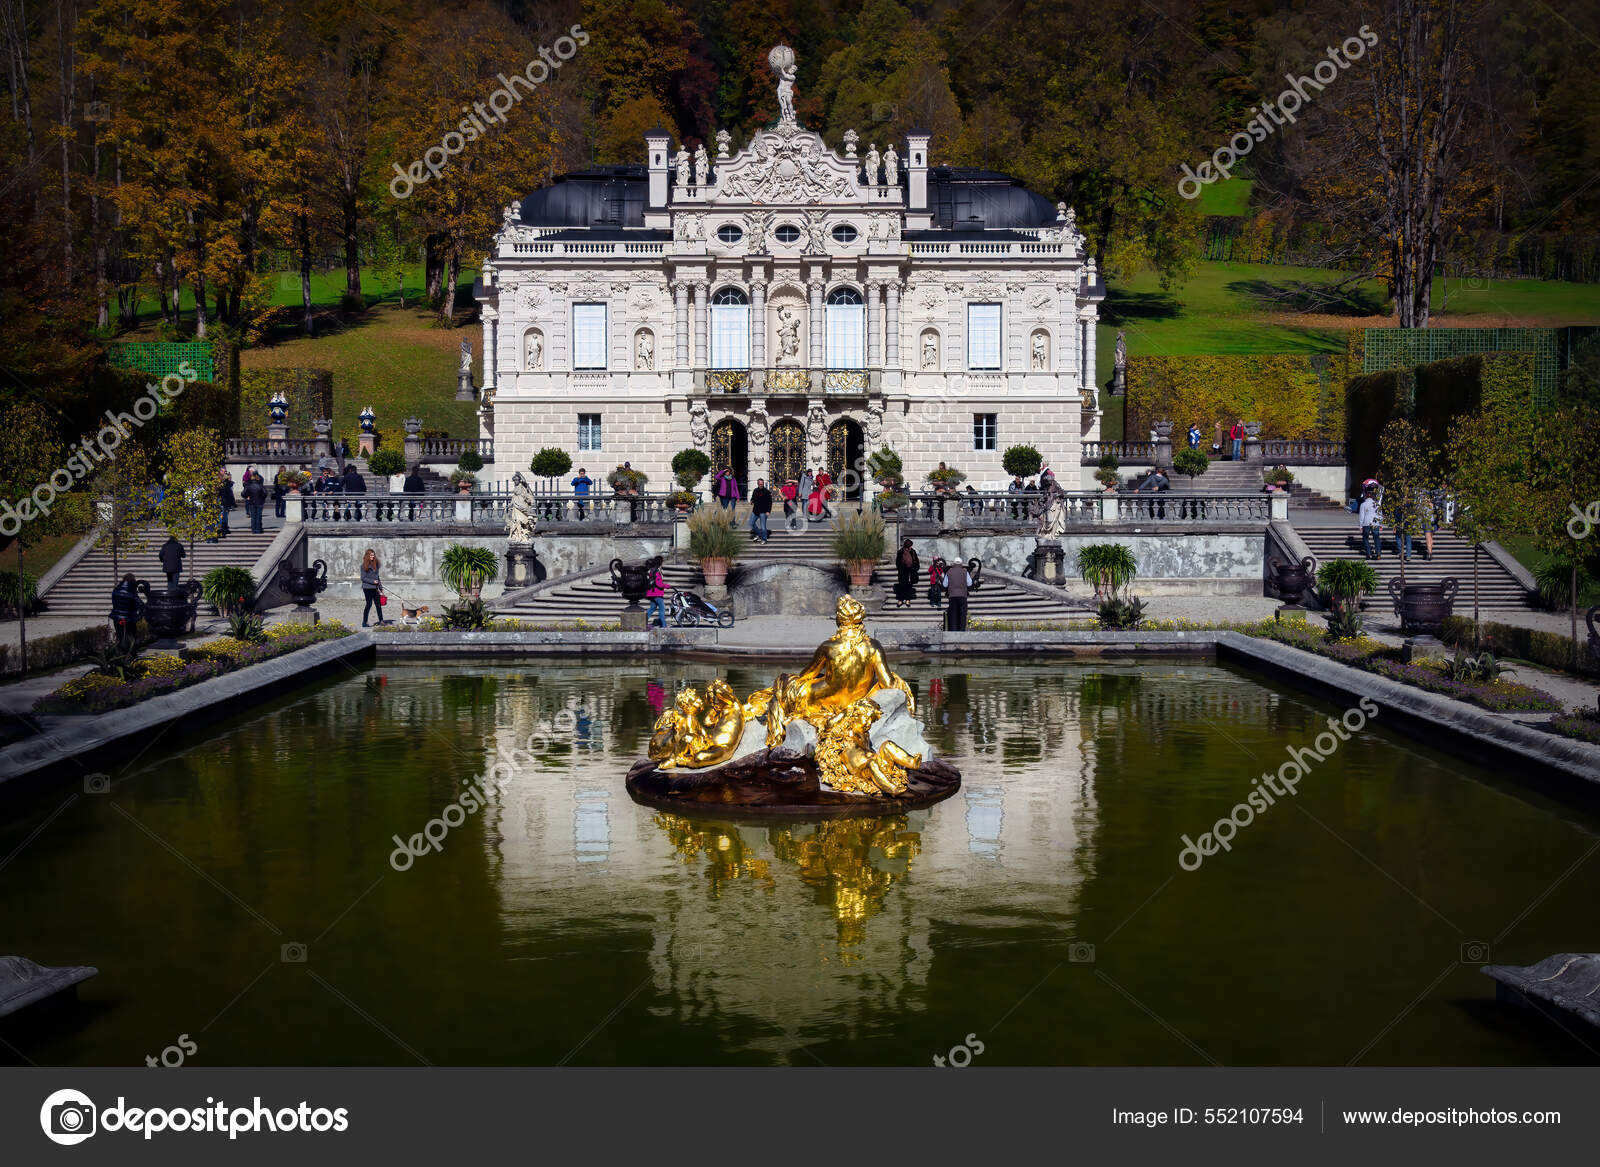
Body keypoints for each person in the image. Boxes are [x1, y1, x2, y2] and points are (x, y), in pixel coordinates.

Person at [109, 573, 144, 647]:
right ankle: (130, 654)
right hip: (128, 619)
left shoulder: (116, 589)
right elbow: (141, 605)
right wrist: (139, 617)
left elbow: (114, 602)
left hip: (117, 617)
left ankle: (120, 653)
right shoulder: (131, 592)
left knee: (120, 636)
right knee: (131, 638)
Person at [360, 548, 386, 627]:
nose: (373, 556)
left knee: (378, 604)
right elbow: (363, 578)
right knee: (369, 604)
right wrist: (373, 582)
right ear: (367, 556)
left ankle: (381, 621)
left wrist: (381, 588)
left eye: (373, 555)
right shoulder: (363, 566)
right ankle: (364, 622)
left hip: (375, 588)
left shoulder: (376, 565)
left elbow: (377, 577)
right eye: (371, 555)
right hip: (367, 588)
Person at [943, 557, 971, 631]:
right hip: (962, 595)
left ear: (953, 564)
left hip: (952, 595)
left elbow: (945, 584)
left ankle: (953, 630)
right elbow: (969, 583)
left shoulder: (949, 571)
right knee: (962, 614)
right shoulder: (965, 571)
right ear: (961, 564)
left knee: (953, 614)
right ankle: (962, 630)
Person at [894, 538, 920, 608]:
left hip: (910, 572)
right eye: (910, 545)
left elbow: (916, 561)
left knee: (909, 586)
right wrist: (900, 569)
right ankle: (901, 599)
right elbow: (897, 563)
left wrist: (915, 568)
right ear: (907, 546)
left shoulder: (913, 551)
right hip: (903, 572)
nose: (911, 547)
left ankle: (908, 599)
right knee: (902, 586)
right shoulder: (900, 552)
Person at [1358, 488, 1382, 560]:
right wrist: (1380, 524)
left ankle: (1368, 553)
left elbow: (1362, 516)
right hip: (1375, 523)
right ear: (1373, 496)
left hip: (1366, 523)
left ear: (1366, 496)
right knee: (1376, 538)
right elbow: (1380, 515)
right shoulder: (1377, 504)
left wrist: (1360, 525)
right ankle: (1378, 553)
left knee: (1365, 538)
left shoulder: (1363, 504)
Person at [749, 478, 772, 543]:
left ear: (763, 484)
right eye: (760, 484)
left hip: (763, 511)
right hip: (755, 510)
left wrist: (768, 511)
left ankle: (764, 539)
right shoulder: (755, 490)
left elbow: (769, 502)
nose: (761, 485)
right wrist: (752, 501)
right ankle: (759, 534)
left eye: (762, 484)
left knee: (763, 527)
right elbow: (753, 498)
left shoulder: (767, 492)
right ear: (757, 484)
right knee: (751, 523)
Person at [645, 561, 667, 628]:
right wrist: (667, 586)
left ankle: (643, 622)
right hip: (657, 594)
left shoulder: (652, 571)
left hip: (651, 594)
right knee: (662, 608)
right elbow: (659, 584)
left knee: (652, 608)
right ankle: (663, 625)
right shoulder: (657, 572)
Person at [216, 471, 236, 538]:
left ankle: (222, 528)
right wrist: (233, 503)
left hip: (223, 502)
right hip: (225, 502)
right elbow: (230, 495)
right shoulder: (227, 485)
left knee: (223, 515)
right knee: (223, 516)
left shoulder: (223, 485)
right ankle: (223, 528)